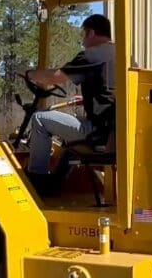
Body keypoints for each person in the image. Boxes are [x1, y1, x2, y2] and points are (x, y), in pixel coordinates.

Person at [25, 13, 115, 193]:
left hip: (99, 131)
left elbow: (55, 78)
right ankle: (55, 185)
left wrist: (29, 74)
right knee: (69, 135)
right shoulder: (124, 54)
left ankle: (36, 182)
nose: (82, 41)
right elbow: (113, 90)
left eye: (83, 35)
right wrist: (87, 99)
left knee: (39, 118)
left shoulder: (91, 55)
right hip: (115, 130)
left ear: (90, 32)